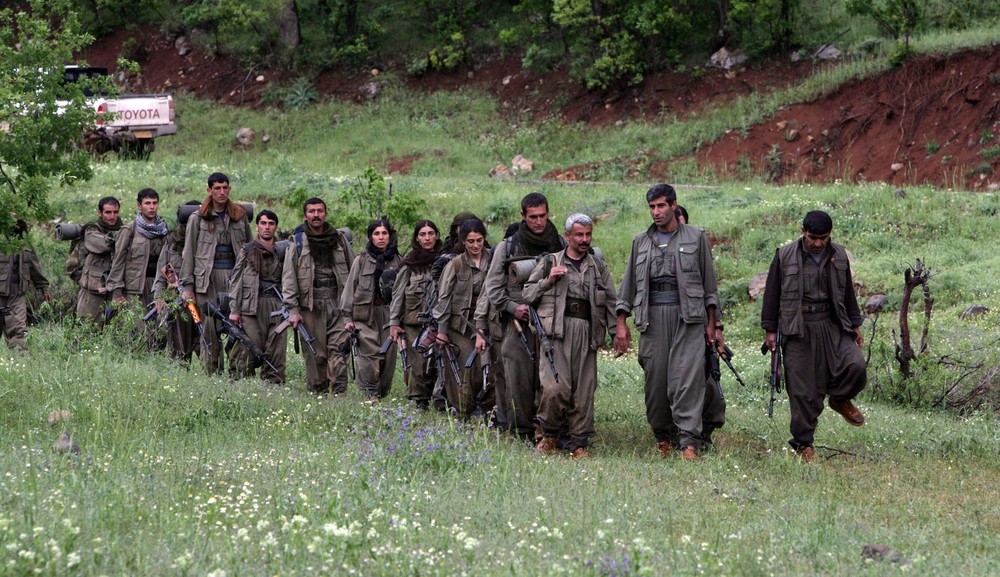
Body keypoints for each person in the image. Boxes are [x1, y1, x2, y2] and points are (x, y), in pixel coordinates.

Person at [616, 184, 722, 461]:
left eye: (661, 205)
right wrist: (621, 323)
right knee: (657, 379)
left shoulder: (695, 237)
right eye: (652, 207)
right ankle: (663, 437)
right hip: (652, 318)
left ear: (674, 205)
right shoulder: (641, 241)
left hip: (689, 318)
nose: (656, 212)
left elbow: (710, 285)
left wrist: (714, 325)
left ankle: (688, 441)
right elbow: (627, 285)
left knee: (687, 378)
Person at [761, 210, 867, 463]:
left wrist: (855, 324)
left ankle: (840, 399)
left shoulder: (838, 254)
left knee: (856, 365)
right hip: (797, 327)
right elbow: (772, 293)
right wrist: (770, 330)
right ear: (803, 232)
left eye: (824, 238)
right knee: (803, 390)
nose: (818, 243)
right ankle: (803, 443)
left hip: (832, 324)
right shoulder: (785, 255)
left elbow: (848, 293)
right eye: (813, 238)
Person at [523, 214, 627, 458]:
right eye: (579, 235)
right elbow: (527, 294)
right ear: (567, 236)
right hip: (556, 333)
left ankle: (578, 443)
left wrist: (616, 332)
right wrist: (548, 281)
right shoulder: (550, 262)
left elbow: (611, 300)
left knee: (584, 390)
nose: (584, 239)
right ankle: (548, 435)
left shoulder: (597, 266)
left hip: (587, 332)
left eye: (588, 234)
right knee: (555, 387)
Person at [484, 192, 565, 441]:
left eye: (542, 216)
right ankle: (521, 432)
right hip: (517, 323)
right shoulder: (507, 247)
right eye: (533, 217)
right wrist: (511, 308)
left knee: (550, 378)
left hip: (550, 322)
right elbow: (493, 289)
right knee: (518, 380)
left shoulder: (560, 243)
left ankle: (547, 430)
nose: (539, 222)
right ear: (523, 216)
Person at [281, 197, 355, 395]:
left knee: (340, 350)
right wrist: (293, 310)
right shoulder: (297, 242)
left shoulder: (339, 239)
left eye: (320, 211)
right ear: (305, 215)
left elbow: (353, 270)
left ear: (326, 213)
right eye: (312, 211)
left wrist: (353, 305)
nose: (316, 215)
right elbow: (289, 278)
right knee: (316, 355)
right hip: (310, 306)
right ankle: (318, 394)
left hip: (338, 303)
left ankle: (339, 393)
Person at [180, 172, 252, 375]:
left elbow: (250, 249)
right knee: (209, 328)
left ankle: (237, 371)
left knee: (237, 325)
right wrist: (188, 287)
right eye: (217, 188)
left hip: (234, 279)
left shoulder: (239, 216)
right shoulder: (197, 218)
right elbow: (189, 254)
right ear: (209, 190)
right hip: (207, 281)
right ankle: (211, 372)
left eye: (225, 188)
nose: (222, 192)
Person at [675, 204, 726, 446]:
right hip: (673, 326)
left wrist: (716, 329)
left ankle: (702, 433)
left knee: (708, 385)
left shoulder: (696, 245)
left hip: (701, 326)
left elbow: (709, 290)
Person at [433, 217, 494, 418]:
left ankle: (486, 411)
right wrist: (442, 331)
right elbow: (444, 298)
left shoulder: (493, 260)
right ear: (463, 242)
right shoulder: (456, 264)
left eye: (479, 240)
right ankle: (460, 411)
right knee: (464, 371)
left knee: (486, 368)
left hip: (487, 323)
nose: (475, 245)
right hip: (460, 325)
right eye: (470, 241)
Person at [342, 219, 403, 400]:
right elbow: (349, 289)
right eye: (377, 234)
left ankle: (381, 392)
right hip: (365, 314)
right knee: (369, 355)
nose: (381, 237)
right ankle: (370, 393)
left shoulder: (398, 261)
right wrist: (347, 319)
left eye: (384, 233)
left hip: (389, 314)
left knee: (388, 357)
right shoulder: (361, 261)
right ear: (371, 237)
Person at [228, 210, 288, 384]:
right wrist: (235, 310)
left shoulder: (284, 250)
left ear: (275, 226)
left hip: (277, 304)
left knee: (276, 350)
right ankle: (242, 384)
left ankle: (274, 385)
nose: (267, 227)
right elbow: (236, 280)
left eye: (270, 223)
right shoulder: (247, 250)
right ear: (257, 226)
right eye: (263, 223)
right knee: (248, 346)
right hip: (251, 305)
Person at [388, 220, 443, 409]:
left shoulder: (446, 260)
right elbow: (398, 294)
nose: (427, 238)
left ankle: (441, 399)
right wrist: (394, 323)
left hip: (439, 321)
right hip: (414, 321)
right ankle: (420, 401)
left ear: (436, 235)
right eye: (422, 234)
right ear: (417, 238)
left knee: (439, 360)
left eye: (430, 233)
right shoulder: (409, 264)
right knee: (419, 364)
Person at [107, 188, 170, 344]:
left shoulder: (163, 229)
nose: (151, 207)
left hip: (157, 286)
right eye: (147, 203)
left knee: (159, 333)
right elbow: (118, 261)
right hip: (135, 289)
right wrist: (116, 292)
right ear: (139, 205)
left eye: (154, 203)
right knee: (136, 332)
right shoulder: (129, 230)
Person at [153, 201, 201, 365]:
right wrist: (159, 298)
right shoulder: (172, 242)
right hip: (177, 302)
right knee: (178, 350)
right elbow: (161, 273)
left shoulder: (206, 242)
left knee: (205, 346)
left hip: (202, 299)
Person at [0, 219, 52, 350]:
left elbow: (34, 268)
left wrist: (44, 288)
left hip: (17, 294)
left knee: (19, 332)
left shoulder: (26, 244)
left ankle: (18, 364)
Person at [75, 196, 123, 324]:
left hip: (116, 291)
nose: (112, 216)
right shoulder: (91, 230)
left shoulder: (124, 230)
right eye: (108, 212)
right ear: (100, 213)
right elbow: (103, 244)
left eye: (115, 212)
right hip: (93, 292)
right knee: (87, 331)